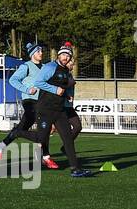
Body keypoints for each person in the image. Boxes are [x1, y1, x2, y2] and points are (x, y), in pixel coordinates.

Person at [32, 42, 93, 178]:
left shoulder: (66, 70)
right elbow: (38, 82)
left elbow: (62, 86)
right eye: (64, 54)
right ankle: (18, 133)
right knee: (41, 137)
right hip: (45, 109)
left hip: (59, 111)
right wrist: (55, 89)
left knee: (68, 139)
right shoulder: (50, 67)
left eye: (68, 56)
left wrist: (67, 94)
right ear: (59, 54)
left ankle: (75, 169)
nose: (66, 58)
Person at [0, 42, 56, 169]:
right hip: (30, 101)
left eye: (41, 51)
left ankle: (2, 144)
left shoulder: (45, 67)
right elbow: (13, 80)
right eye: (39, 51)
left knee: (22, 128)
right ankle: (46, 157)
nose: (41, 53)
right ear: (32, 54)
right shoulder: (26, 67)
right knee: (44, 128)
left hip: (42, 102)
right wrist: (27, 90)